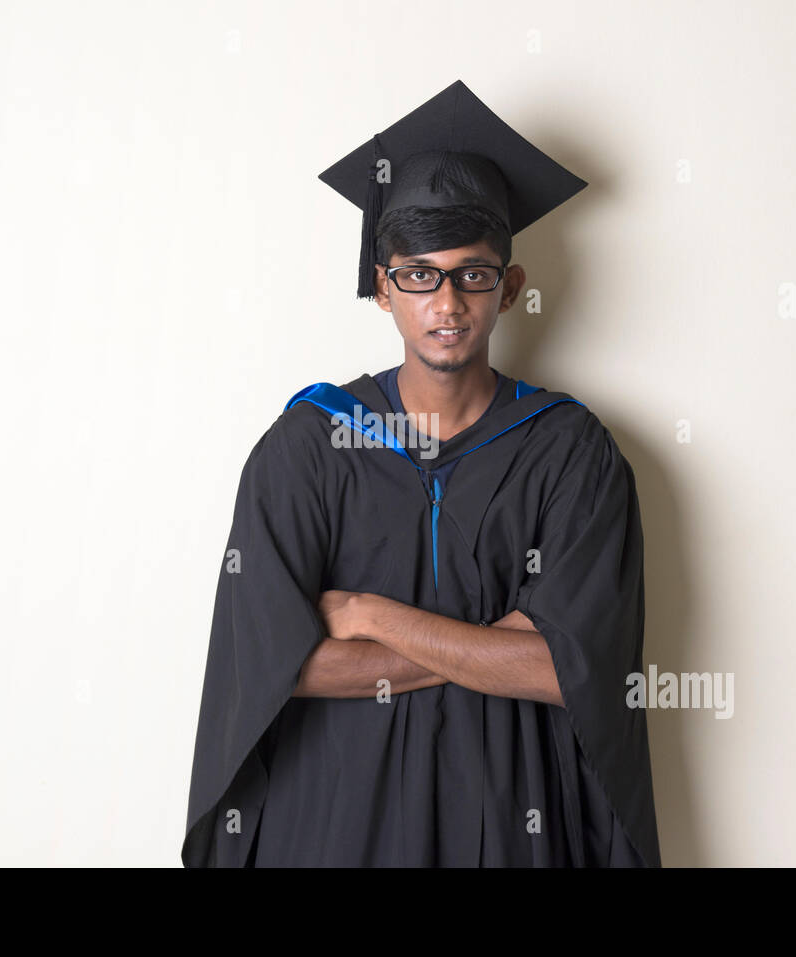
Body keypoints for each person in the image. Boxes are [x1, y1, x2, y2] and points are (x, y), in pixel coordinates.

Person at [181, 79, 660, 867]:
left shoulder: (571, 452)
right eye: (418, 274)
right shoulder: (308, 446)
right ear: (382, 288)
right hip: (334, 828)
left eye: (473, 275)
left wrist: (369, 613)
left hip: (510, 829)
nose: (446, 301)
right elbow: (275, 667)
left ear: (509, 288)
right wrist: (492, 650)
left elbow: (564, 672)